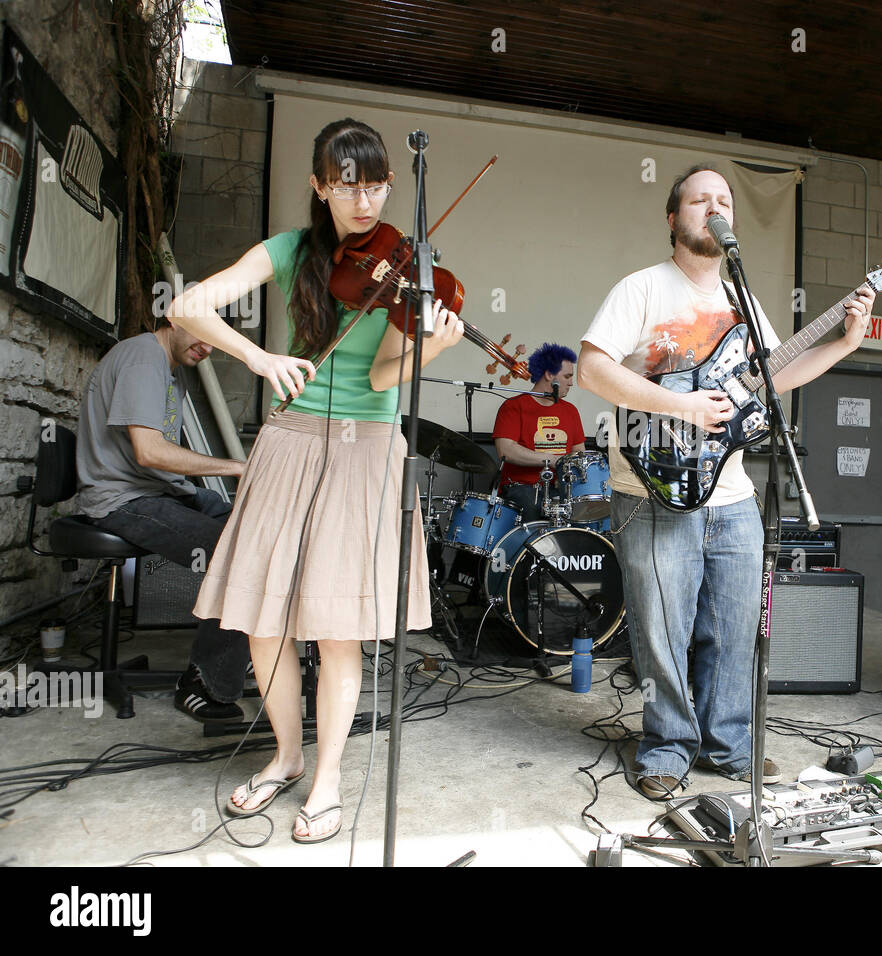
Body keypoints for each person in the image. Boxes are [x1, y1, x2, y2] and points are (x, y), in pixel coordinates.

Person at [167, 118, 463, 843]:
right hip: (289, 439)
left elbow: (383, 374)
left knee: (337, 630)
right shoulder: (292, 249)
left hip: (366, 449)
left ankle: (326, 779)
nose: (366, 201)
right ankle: (288, 756)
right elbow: (185, 305)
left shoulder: (406, 262)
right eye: (348, 184)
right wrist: (260, 359)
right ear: (320, 186)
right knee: (264, 621)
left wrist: (430, 349)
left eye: (377, 183)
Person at [577, 163, 874, 799]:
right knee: (662, 630)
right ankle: (666, 747)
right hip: (651, 489)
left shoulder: (744, 301)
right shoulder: (642, 289)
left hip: (733, 492)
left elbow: (774, 376)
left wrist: (846, 343)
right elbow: (593, 371)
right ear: (673, 218)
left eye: (724, 202)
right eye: (699, 200)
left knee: (735, 629)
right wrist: (682, 405)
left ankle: (728, 744)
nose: (713, 209)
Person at [76, 319, 250, 723]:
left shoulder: (168, 370)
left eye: (215, 344)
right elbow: (150, 452)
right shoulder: (143, 358)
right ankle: (203, 682)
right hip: (121, 498)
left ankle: (243, 644)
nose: (207, 349)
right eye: (203, 336)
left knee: (255, 533)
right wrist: (237, 467)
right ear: (176, 319)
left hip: (161, 492)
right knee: (236, 555)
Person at [492, 343, 586, 522]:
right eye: (567, 376)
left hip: (561, 489)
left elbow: (578, 452)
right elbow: (505, 450)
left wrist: (567, 474)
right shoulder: (513, 407)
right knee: (530, 504)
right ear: (549, 374)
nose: (571, 383)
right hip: (523, 488)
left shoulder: (571, 411)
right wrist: (552, 460)